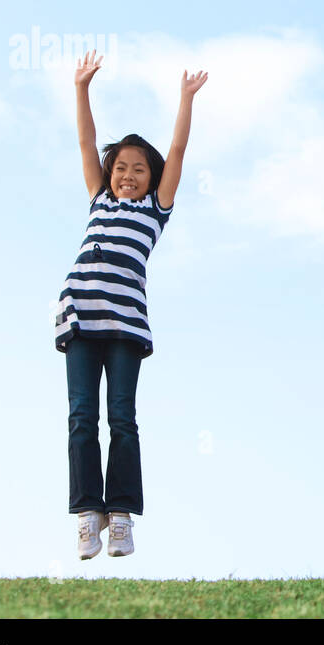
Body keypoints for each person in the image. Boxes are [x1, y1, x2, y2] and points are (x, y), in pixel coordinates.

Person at [56, 50, 207, 560]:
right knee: (82, 416)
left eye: (138, 169)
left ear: (150, 177)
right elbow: (85, 141)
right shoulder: (98, 197)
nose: (127, 175)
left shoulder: (155, 210)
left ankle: (119, 514)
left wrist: (185, 99)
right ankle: (87, 515)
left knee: (121, 416)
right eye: (120, 166)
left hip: (124, 325)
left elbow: (179, 151)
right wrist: (81, 89)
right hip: (80, 315)